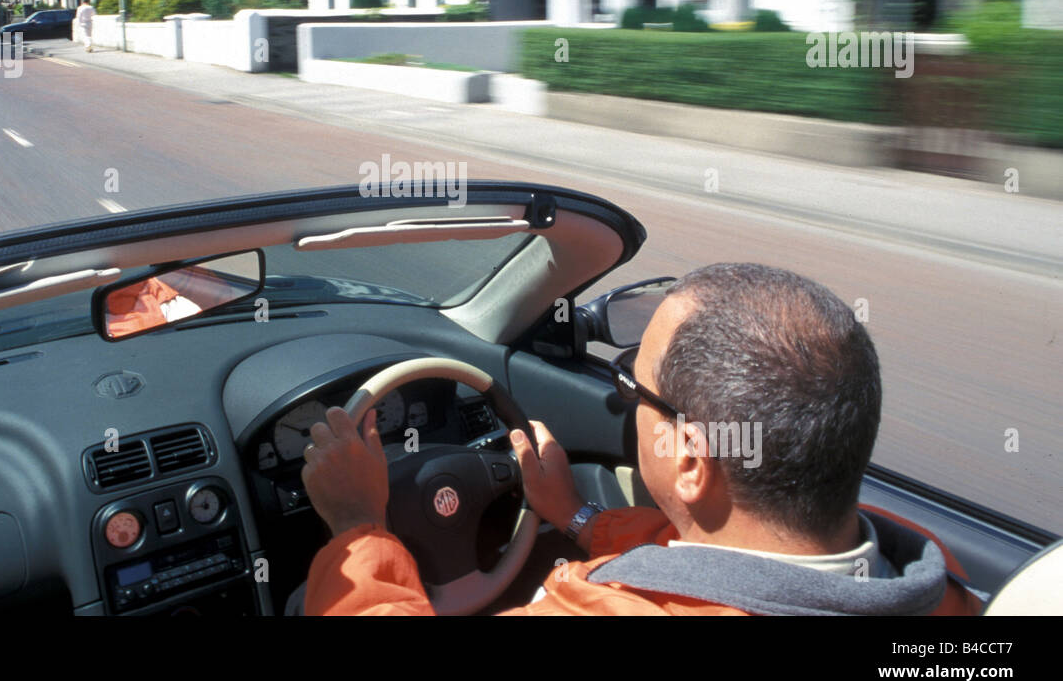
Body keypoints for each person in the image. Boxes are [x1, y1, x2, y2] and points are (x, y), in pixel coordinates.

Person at [299, 263, 983, 615]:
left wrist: (358, 526)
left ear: (690, 459)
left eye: (635, 388)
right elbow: (716, 561)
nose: (626, 399)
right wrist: (576, 517)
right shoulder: (935, 583)